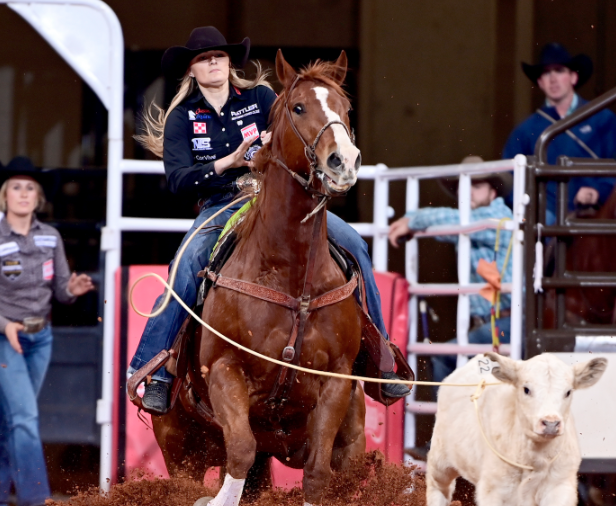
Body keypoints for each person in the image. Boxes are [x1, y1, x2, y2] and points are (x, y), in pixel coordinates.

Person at [128, 26, 408, 415]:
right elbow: (177, 180)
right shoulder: (183, 117)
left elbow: (299, 128)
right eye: (204, 58)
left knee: (357, 246)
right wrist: (230, 161)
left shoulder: (261, 97)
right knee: (187, 263)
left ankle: (381, 358)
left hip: (274, 198)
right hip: (221, 204)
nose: (213, 62)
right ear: (191, 69)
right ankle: (156, 372)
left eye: (220, 56)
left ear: (229, 63)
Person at [0, 157, 94, 506]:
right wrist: (6, 326)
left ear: (39, 196)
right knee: (25, 418)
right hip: (3, 339)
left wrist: (72, 290)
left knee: (7, 421)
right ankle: (37, 499)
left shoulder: (51, 237)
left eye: (30, 187)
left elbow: (60, 289)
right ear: (4, 195)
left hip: (41, 338)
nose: (23, 193)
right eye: (16, 186)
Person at [387, 157, 513, 382]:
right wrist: (412, 219)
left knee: (445, 358)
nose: (469, 192)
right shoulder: (468, 223)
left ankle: (446, 417)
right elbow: (451, 223)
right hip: (490, 323)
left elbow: (451, 221)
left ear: (493, 193)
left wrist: (412, 221)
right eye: (464, 187)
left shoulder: (498, 219)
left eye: (477, 186)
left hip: (504, 322)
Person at [503, 42, 616, 224]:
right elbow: (508, 180)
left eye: (559, 70)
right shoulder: (526, 130)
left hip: (598, 212)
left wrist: (598, 191)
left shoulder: (603, 119)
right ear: (540, 82)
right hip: (546, 218)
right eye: (546, 73)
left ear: (573, 77)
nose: (553, 78)